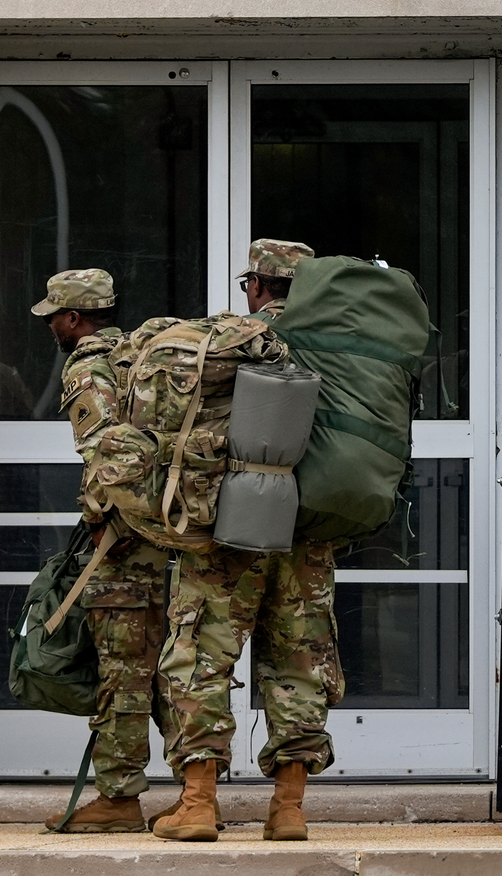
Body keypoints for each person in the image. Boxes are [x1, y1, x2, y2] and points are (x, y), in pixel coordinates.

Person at [152, 239, 344, 843]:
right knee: (300, 658)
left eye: (249, 285)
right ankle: (289, 807)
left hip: (230, 525)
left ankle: (199, 803)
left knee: (203, 654)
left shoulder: (233, 338)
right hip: (309, 528)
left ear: (258, 286)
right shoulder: (343, 344)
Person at [31, 268, 181, 833]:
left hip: (125, 546)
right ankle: (197, 789)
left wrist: (99, 518)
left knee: (122, 671)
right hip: (175, 534)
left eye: (54, 317)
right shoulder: (142, 354)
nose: (51, 327)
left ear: (73, 318)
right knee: (171, 668)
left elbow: (105, 455)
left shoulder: (88, 365)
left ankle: (118, 798)